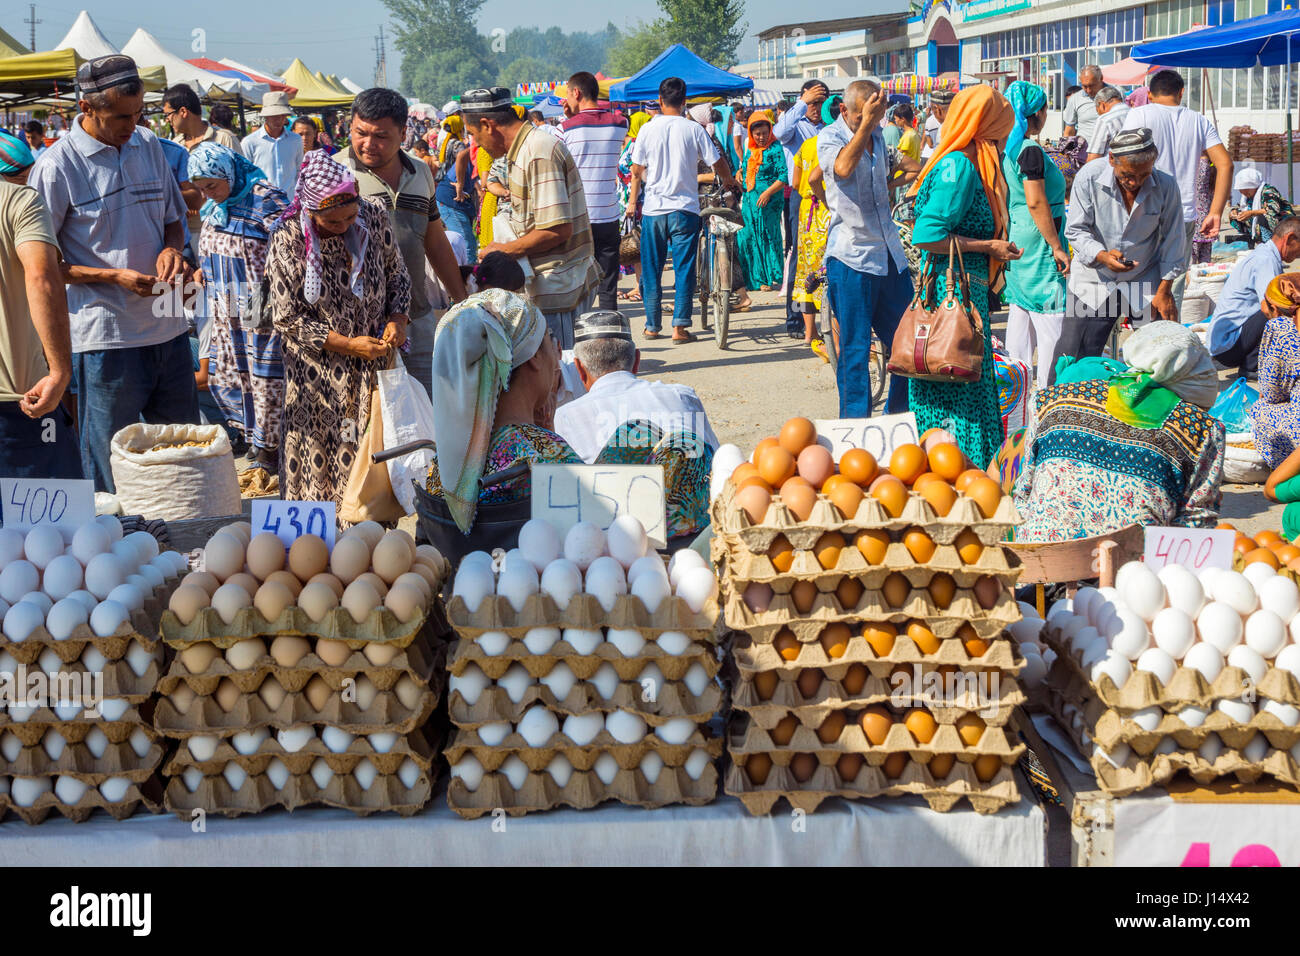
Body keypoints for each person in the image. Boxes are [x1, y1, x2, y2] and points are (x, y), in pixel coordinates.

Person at [29, 55, 197, 492]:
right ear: (86, 109)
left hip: (170, 327)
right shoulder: (57, 166)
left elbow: (174, 221)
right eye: (120, 116)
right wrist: (113, 277)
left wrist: (171, 249)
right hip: (105, 338)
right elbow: (42, 266)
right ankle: (113, 548)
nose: (132, 125)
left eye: (138, 113)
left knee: (183, 453)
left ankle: (181, 548)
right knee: (109, 464)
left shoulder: (148, 146)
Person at [266, 151, 412, 505]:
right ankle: (320, 541)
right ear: (311, 211)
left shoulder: (373, 215)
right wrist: (347, 344)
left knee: (368, 448)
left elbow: (398, 274)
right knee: (319, 452)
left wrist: (398, 318)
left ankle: (367, 533)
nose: (346, 226)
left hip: (372, 364)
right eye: (333, 222)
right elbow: (287, 318)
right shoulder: (288, 237)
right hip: (316, 375)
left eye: (351, 216)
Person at [1014, 322, 1224, 541]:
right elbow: (1196, 526)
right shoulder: (1203, 428)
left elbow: (1023, 494)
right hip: (1133, 570)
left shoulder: (1049, 399)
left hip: (1041, 563)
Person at [906, 85, 1019, 469]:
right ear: (986, 123)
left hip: (960, 289)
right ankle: (958, 474)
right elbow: (928, 234)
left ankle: (962, 474)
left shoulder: (972, 163)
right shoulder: (961, 167)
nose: (1006, 131)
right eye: (1002, 122)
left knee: (961, 381)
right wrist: (988, 247)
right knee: (956, 382)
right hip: (950, 291)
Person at [340, 87, 468, 397]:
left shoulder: (420, 171)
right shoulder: (336, 173)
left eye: (381, 136)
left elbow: (435, 242)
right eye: (360, 133)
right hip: (359, 329)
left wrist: (463, 303)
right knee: (373, 422)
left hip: (418, 317)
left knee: (428, 408)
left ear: (403, 133)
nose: (368, 144)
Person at [554, 310, 718, 541]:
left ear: (579, 369)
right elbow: (718, 465)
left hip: (615, 541)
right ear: (637, 361)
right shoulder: (682, 396)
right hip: (695, 535)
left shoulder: (565, 416)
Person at [427, 288, 579, 535]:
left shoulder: (447, 463)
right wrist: (547, 437)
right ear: (534, 358)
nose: (556, 355)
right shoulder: (548, 454)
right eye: (549, 340)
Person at [188, 143, 292, 491]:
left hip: (260, 306)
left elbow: (293, 246)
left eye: (212, 186)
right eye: (201, 188)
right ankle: (255, 442)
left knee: (266, 377)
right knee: (234, 374)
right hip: (225, 306)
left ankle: (271, 451)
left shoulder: (266, 199)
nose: (207, 194)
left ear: (229, 173)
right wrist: (202, 271)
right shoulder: (214, 207)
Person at [465, 87, 600, 351]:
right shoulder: (522, 150)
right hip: (550, 285)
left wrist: (502, 250)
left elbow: (557, 229)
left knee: (558, 379)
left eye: (473, 134)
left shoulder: (537, 151)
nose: (475, 144)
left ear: (487, 125)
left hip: (557, 288)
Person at [1051, 129, 1188, 378]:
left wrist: (1165, 289)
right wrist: (1101, 255)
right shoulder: (1089, 177)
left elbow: (1174, 239)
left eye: (1143, 175)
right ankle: (1056, 408)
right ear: (1112, 159)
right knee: (1074, 355)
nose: (1134, 182)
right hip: (1095, 278)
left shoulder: (1166, 185)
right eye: (1127, 175)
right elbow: (1076, 230)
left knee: (1160, 355)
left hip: (1143, 279)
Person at [820, 79, 917, 419]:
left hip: (889, 254)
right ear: (844, 110)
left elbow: (901, 166)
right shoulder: (830, 137)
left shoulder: (877, 133)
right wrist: (864, 127)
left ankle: (899, 420)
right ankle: (856, 430)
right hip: (852, 257)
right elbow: (842, 169)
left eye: (877, 115)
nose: (873, 121)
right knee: (855, 350)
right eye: (865, 115)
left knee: (907, 345)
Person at [627, 77, 740, 342]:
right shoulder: (693, 129)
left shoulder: (647, 129)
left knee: (652, 268)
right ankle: (679, 326)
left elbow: (635, 170)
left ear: (659, 99)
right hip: (685, 209)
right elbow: (718, 161)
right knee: (684, 268)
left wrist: (640, 192)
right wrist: (729, 181)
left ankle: (652, 326)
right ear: (684, 100)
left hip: (654, 210)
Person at [0, 171, 80, 478]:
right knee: (53, 524)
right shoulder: (18, 199)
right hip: (21, 402)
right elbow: (42, 277)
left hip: (21, 403)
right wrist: (60, 372)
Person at [1122, 69, 1232, 285]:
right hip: (1185, 215)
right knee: (1174, 285)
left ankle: (1145, 320)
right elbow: (1225, 164)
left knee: (1141, 283)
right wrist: (1216, 212)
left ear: (1150, 94)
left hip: (1145, 211)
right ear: (1181, 92)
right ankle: (1170, 320)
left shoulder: (1140, 114)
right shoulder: (1198, 121)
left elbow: (1124, 160)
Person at [1002, 81, 1068, 390]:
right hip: (1039, 236)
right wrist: (1056, 245)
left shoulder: (1008, 146)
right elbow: (1036, 200)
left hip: (1018, 232)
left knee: (1021, 310)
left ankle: (1017, 388)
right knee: (1051, 314)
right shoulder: (1029, 150)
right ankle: (1048, 392)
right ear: (1037, 112)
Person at [562, 71, 628, 312]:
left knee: (576, 275)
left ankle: (580, 324)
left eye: (568, 94)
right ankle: (609, 323)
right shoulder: (620, 123)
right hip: (609, 213)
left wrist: (568, 118)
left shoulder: (566, 128)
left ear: (576, 93)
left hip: (578, 215)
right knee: (608, 277)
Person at [1208, 217, 1300, 380]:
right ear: (1290, 238)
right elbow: (1271, 306)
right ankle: (1252, 365)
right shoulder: (1265, 260)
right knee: (1279, 311)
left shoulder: (1267, 254)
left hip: (1230, 341)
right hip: (1228, 347)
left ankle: (1254, 360)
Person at [737, 111, 788, 293]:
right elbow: (745, 167)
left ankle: (770, 277)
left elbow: (783, 176)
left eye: (764, 133)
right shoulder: (750, 148)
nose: (761, 137)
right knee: (749, 237)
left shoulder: (775, 148)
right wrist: (740, 172)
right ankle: (755, 278)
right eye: (757, 134)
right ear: (751, 133)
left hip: (770, 201)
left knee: (767, 236)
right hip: (751, 200)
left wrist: (767, 193)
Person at [1253, 274, 1300, 467]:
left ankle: (1286, 469)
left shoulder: (1282, 328)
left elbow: (1271, 393)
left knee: (1259, 410)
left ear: (1274, 307)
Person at [430, 112, 477, 260]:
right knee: (466, 243)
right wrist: (460, 183)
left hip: (448, 185)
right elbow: (462, 158)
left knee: (461, 240)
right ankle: (465, 279)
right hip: (453, 189)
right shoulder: (459, 144)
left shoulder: (445, 142)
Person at [242, 91, 304, 197]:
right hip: (261, 205)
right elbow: (245, 176)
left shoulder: (296, 140)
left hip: (289, 203)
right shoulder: (250, 142)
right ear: (266, 116)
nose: (278, 119)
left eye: (282, 115)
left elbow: (299, 171)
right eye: (274, 115)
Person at [616, 110, 649, 303]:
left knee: (637, 246)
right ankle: (631, 286)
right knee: (625, 246)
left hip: (634, 202)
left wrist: (633, 202)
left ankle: (640, 286)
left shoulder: (634, 145)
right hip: (620, 202)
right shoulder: (617, 146)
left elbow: (638, 175)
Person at [1228, 167, 1295, 246]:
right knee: (1237, 217)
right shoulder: (1248, 197)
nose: (1243, 192)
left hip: (1284, 224)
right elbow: (1241, 207)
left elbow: (1272, 210)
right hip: (1261, 223)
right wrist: (1234, 212)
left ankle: (1270, 242)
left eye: (1246, 189)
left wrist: (1251, 213)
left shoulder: (1268, 191)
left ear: (1254, 186)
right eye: (1241, 189)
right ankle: (1253, 238)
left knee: (1262, 217)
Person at [163, 85, 240, 152]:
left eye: (167, 114)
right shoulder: (175, 145)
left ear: (183, 111)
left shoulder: (224, 138)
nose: (167, 120)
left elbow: (242, 168)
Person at [1086, 86, 1129, 163]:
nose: (1099, 115)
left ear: (1102, 105)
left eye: (1098, 111)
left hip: (1113, 169)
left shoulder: (1105, 119)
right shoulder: (1137, 113)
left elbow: (1093, 158)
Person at [1063, 65, 1103, 141]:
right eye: (1084, 86)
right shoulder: (1074, 99)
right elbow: (1069, 131)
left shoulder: (1116, 94)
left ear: (1101, 79)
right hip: (1085, 150)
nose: (1088, 90)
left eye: (1091, 86)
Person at [921, 89, 952, 159]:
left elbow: (930, 145)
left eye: (932, 109)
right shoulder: (962, 125)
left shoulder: (943, 129)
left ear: (938, 109)